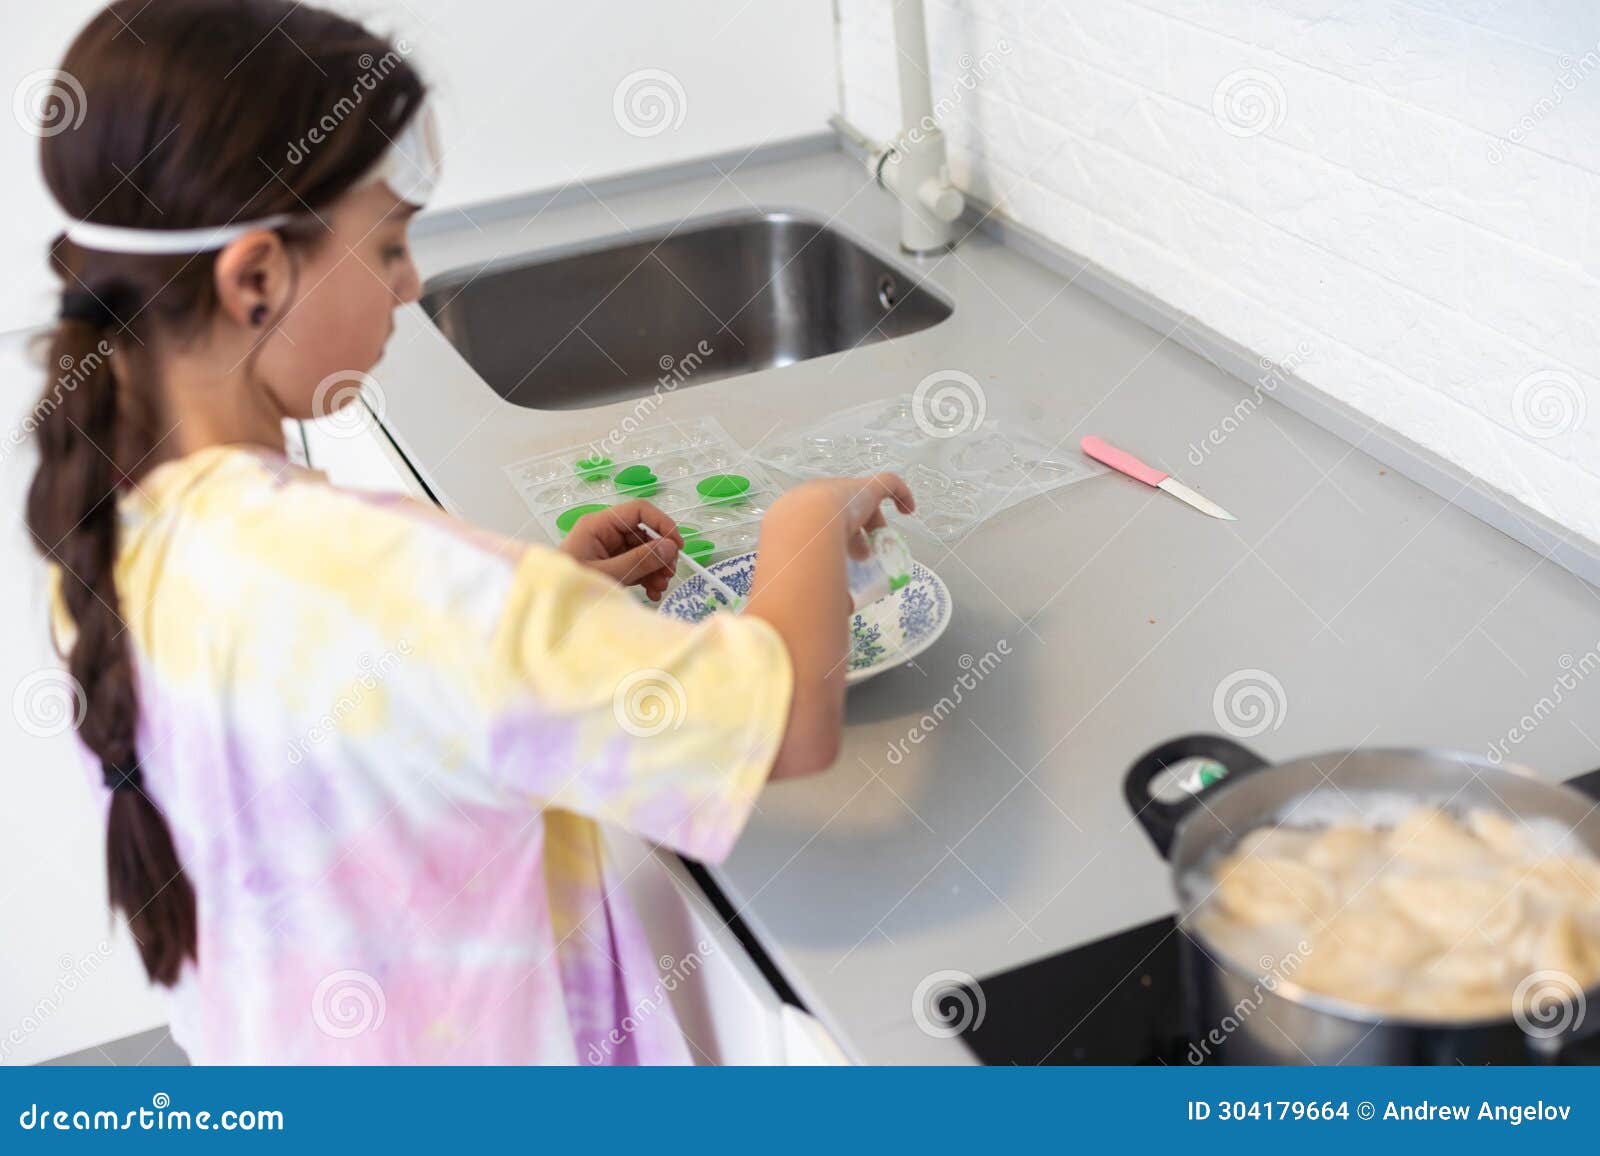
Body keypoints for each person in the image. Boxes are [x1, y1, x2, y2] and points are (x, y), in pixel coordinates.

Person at [26, 0, 913, 1063]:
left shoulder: (108, 525)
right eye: (390, 245)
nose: (410, 285)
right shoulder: (406, 585)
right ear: (255, 277)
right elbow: (785, 722)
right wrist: (804, 519)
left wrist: (537, 598)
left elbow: (367, 698)